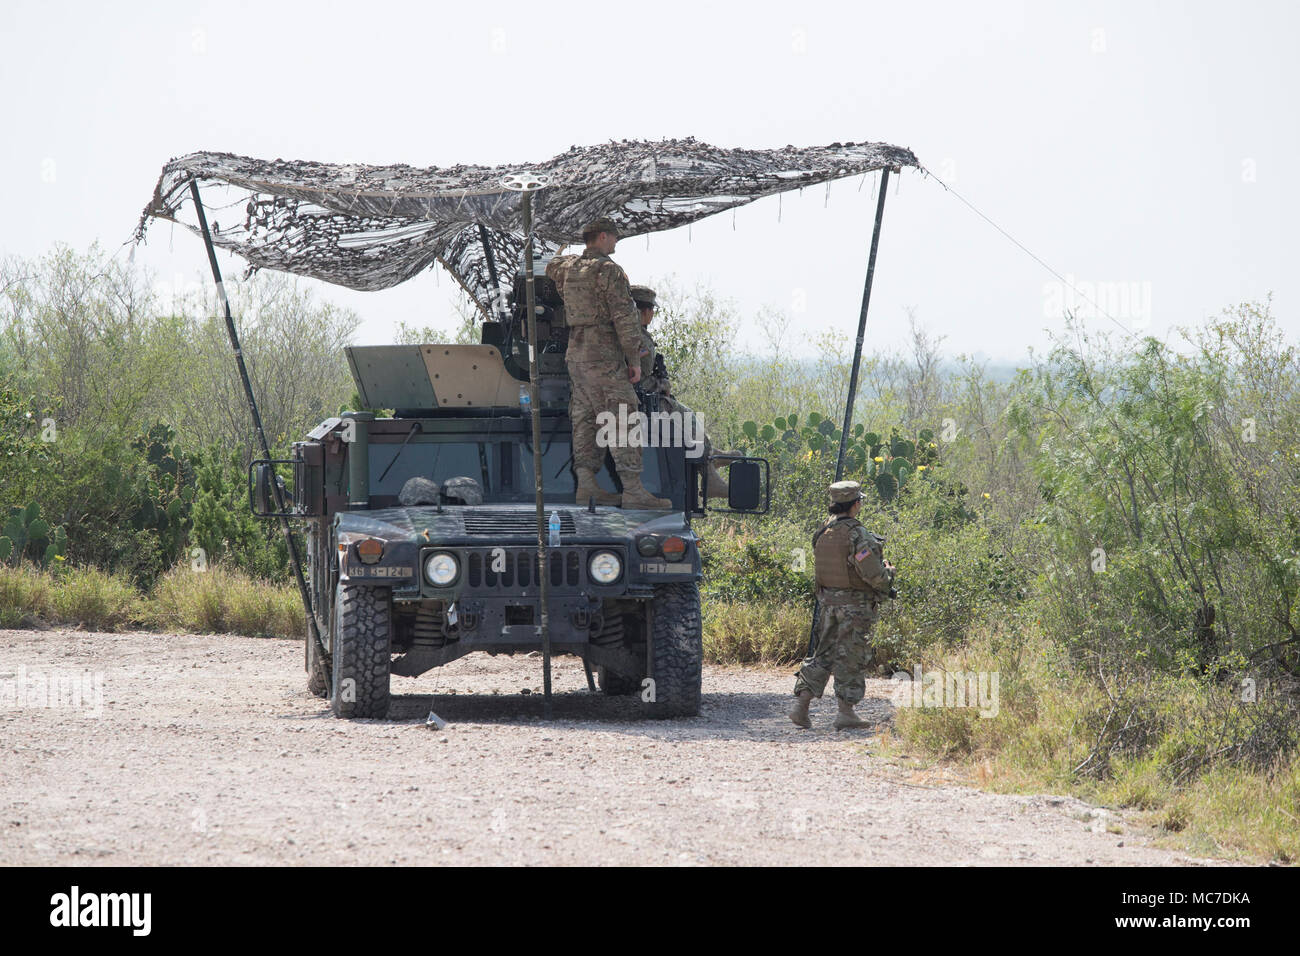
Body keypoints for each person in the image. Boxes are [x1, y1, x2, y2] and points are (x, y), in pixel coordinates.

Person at [548, 218, 670, 510]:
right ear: (602, 237)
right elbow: (626, 319)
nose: (616, 242)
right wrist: (633, 360)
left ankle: (587, 485)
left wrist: (570, 253)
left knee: (586, 417)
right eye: (614, 237)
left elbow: (551, 264)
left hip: (576, 353)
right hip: (604, 353)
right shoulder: (609, 271)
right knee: (622, 417)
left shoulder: (568, 268)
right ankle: (633, 490)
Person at [790, 480, 895, 730]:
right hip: (855, 607)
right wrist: (889, 574)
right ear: (856, 504)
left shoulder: (823, 532)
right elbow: (872, 573)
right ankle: (846, 712)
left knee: (823, 655)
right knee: (851, 656)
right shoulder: (857, 535)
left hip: (828, 605)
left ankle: (800, 707)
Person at [629, 284, 734, 499]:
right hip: (641, 399)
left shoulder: (628, 333)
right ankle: (709, 471)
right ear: (645, 311)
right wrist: (662, 385)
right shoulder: (636, 337)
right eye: (651, 310)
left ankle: (710, 457)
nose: (652, 315)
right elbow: (639, 376)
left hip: (637, 395)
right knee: (688, 418)